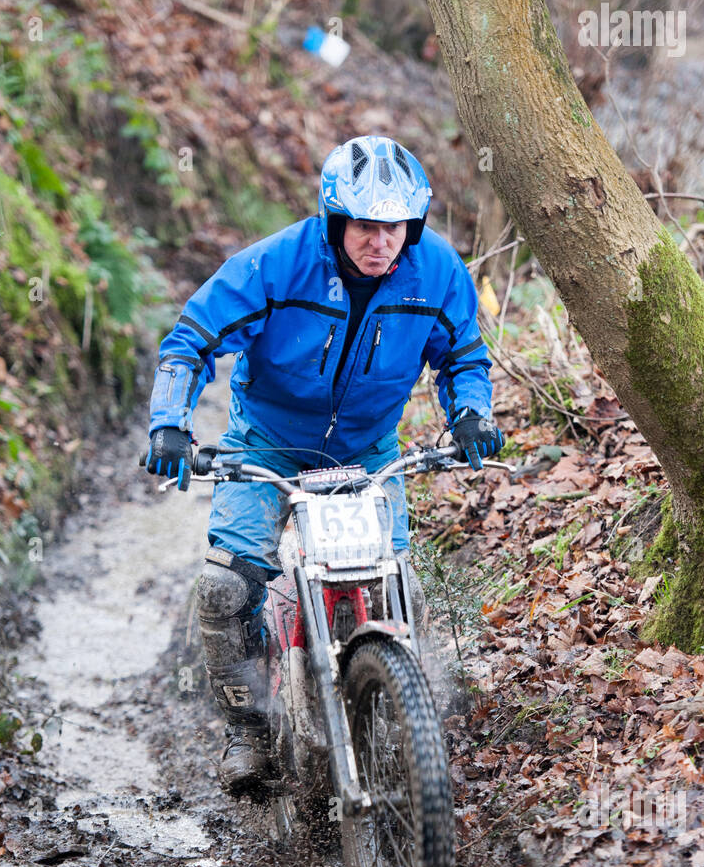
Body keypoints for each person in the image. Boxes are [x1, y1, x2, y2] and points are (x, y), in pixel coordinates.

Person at [145, 134, 503, 791]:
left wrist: (471, 415)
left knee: (403, 588)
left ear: (413, 225)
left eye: (394, 227)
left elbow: (462, 356)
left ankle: (400, 720)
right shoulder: (278, 264)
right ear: (335, 221)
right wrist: (170, 423)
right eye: (365, 226)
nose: (380, 242)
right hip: (269, 437)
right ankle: (247, 730)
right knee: (226, 590)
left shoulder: (439, 272)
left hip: (367, 446)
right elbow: (191, 339)